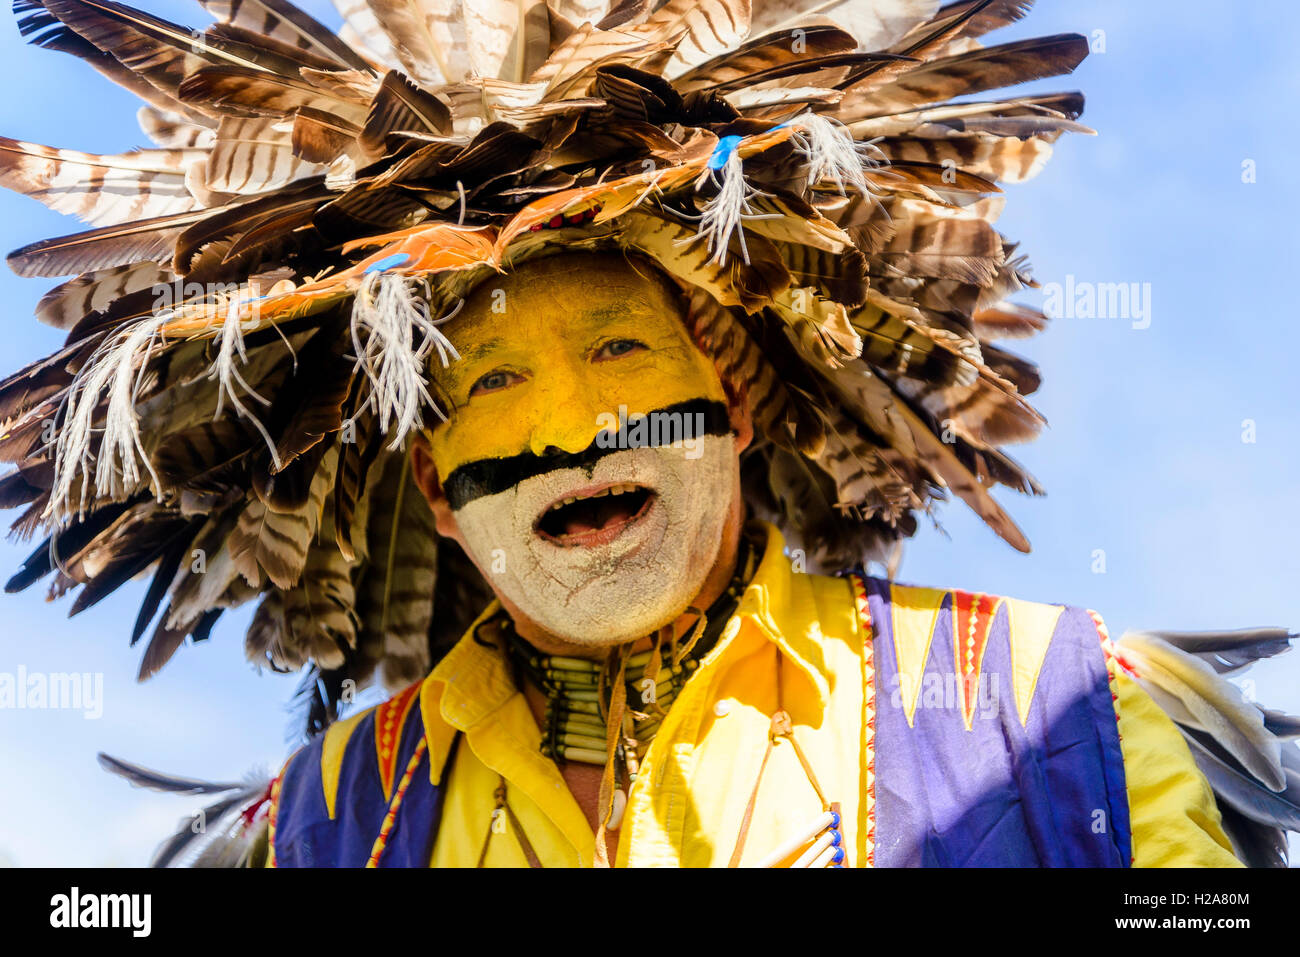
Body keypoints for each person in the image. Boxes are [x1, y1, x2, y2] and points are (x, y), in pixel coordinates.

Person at [1, 0, 1293, 867]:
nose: (574, 433)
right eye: (491, 386)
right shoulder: (324, 831)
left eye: (620, 350)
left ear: (733, 399)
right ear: (434, 486)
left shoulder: (1063, 727)